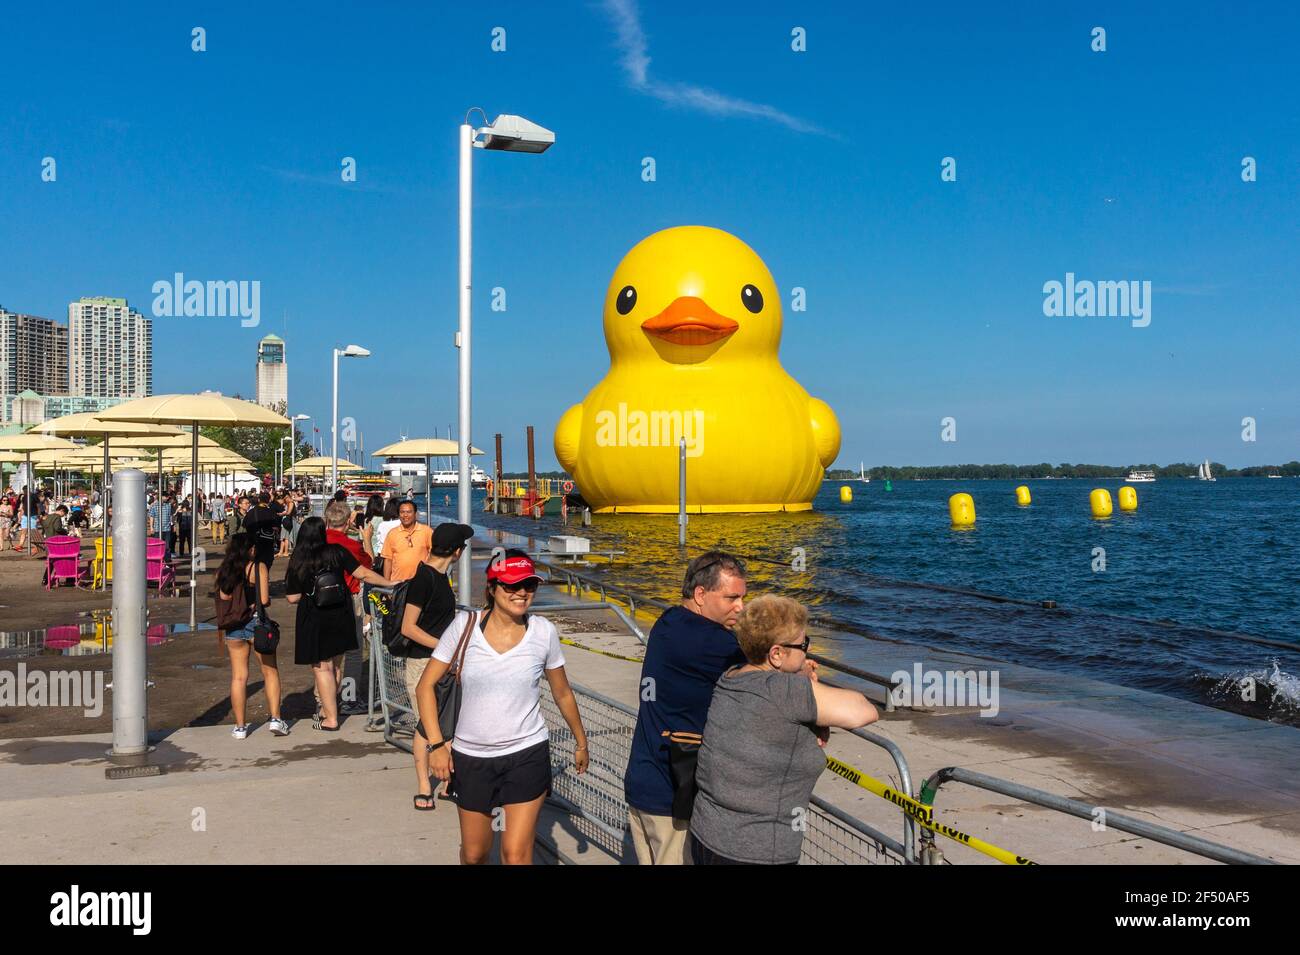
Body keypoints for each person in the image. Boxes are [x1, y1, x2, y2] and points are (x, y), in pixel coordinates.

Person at [418, 551, 588, 864]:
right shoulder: (464, 626)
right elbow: (425, 687)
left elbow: (562, 692)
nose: (521, 592)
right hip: (472, 757)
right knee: (474, 854)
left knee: (515, 854)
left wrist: (580, 741)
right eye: (511, 586)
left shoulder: (543, 633)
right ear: (492, 588)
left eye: (529, 585)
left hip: (527, 753)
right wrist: (437, 745)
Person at [688, 595, 878, 865]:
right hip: (755, 851)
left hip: (707, 835)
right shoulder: (786, 692)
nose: (807, 651)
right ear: (776, 654)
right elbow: (864, 710)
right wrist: (806, 686)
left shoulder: (730, 677)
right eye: (803, 644)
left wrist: (800, 680)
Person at [624, 551, 749, 865]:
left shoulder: (670, 619)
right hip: (673, 793)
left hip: (645, 778)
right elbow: (768, 676)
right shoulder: (713, 644)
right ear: (700, 594)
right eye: (732, 597)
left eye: (744, 598)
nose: (741, 607)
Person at [284, 517, 394, 731]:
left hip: (314, 615)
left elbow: (292, 597)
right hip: (341, 612)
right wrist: (390, 583)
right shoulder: (336, 551)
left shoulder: (299, 558)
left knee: (321, 668)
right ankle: (327, 709)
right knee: (334, 666)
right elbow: (362, 573)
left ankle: (331, 718)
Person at [398, 522, 474, 809]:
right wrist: (445, 649)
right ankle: (423, 786)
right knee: (425, 728)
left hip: (440, 662)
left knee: (445, 725)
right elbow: (409, 627)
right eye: (462, 548)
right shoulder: (425, 578)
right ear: (456, 551)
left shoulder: (440, 577)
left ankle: (446, 783)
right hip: (422, 662)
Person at [213, 533, 290, 739]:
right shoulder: (258, 567)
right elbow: (264, 599)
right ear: (250, 550)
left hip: (233, 627)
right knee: (269, 672)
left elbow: (224, 598)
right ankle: (275, 719)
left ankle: (239, 727)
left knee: (239, 677)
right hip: (257, 624)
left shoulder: (224, 571)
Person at [378, 499, 432, 583]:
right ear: (399, 514)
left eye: (409, 512)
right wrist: (387, 583)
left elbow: (435, 555)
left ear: (415, 514)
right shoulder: (392, 533)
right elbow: (388, 560)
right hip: (398, 583)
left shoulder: (426, 531)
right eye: (402, 512)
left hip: (422, 582)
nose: (405, 515)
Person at [242, 492, 281, 570]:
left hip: (254, 542)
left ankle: (255, 579)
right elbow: (277, 527)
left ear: (259, 500)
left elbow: (245, 525)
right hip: (268, 542)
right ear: (269, 500)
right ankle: (264, 578)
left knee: (253, 564)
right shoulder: (272, 512)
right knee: (266, 565)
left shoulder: (252, 512)